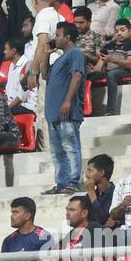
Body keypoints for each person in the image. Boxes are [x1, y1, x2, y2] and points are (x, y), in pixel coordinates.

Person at [42, 22, 86, 196]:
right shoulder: (59, 58)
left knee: (70, 146)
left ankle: (73, 181)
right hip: (53, 113)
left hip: (67, 111)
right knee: (57, 151)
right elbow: (45, 74)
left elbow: (77, 76)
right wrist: (46, 55)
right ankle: (61, 182)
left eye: (58, 35)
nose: (55, 38)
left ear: (68, 38)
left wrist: (67, 100)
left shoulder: (75, 53)